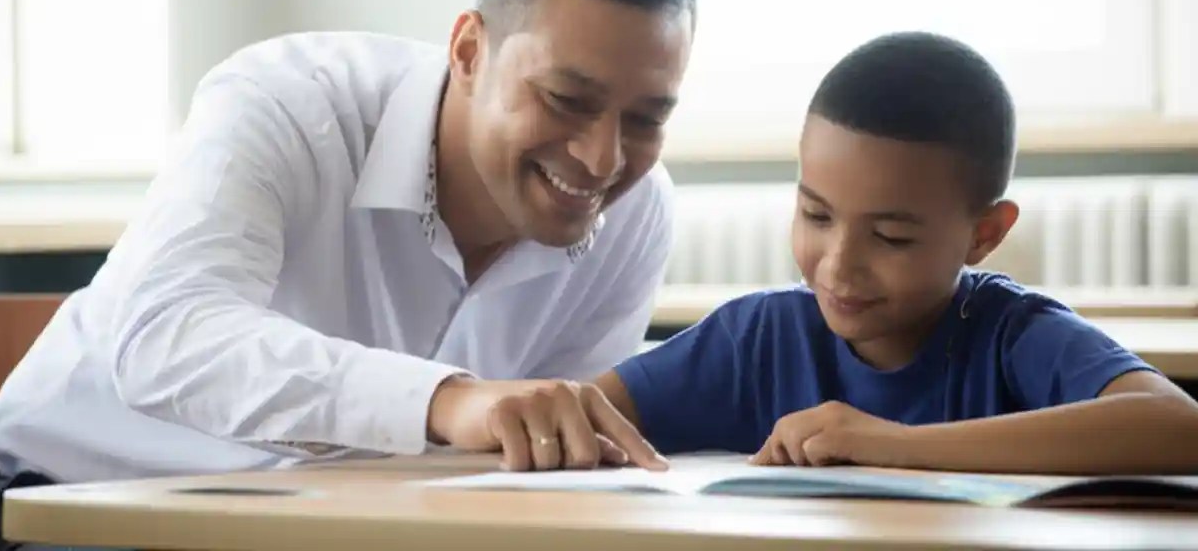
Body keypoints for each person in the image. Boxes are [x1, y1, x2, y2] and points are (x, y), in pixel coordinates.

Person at [0, 0, 691, 548]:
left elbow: (540, 471)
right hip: (76, 510)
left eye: (646, 119)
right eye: (566, 99)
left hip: (344, 531)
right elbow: (168, 338)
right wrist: (447, 399)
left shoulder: (638, 209)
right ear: (469, 51)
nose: (603, 157)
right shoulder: (286, 102)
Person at [471, 31, 1198, 475]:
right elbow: (586, 416)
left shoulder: (1012, 336)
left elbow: (1177, 427)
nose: (838, 265)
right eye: (815, 214)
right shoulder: (758, 340)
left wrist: (894, 445)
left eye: (891, 237)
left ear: (985, 234)